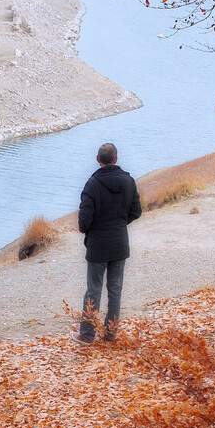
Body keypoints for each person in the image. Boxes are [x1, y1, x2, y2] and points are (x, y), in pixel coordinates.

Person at [77, 141, 141, 342]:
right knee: (115, 289)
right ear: (116, 158)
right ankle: (110, 333)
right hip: (119, 242)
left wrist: (91, 229)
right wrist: (120, 223)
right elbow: (136, 211)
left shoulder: (92, 184)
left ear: (98, 160)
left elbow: (84, 222)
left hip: (98, 244)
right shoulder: (129, 181)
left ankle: (87, 335)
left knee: (93, 289)